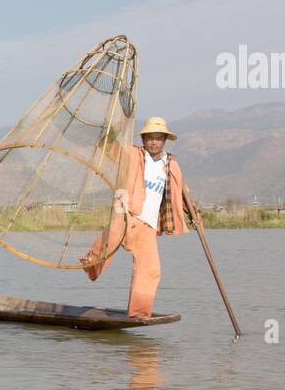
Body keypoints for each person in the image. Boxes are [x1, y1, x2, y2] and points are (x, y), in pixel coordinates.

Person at [80, 116, 198, 319]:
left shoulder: (171, 165)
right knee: (109, 244)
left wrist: (194, 214)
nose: (153, 142)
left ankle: (139, 312)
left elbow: (182, 192)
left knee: (150, 269)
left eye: (158, 138)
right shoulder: (132, 154)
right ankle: (91, 263)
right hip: (127, 213)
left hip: (148, 223)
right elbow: (107, 145)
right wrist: (114, 124)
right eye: (149, 138)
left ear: (164, 140)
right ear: (143, 139)